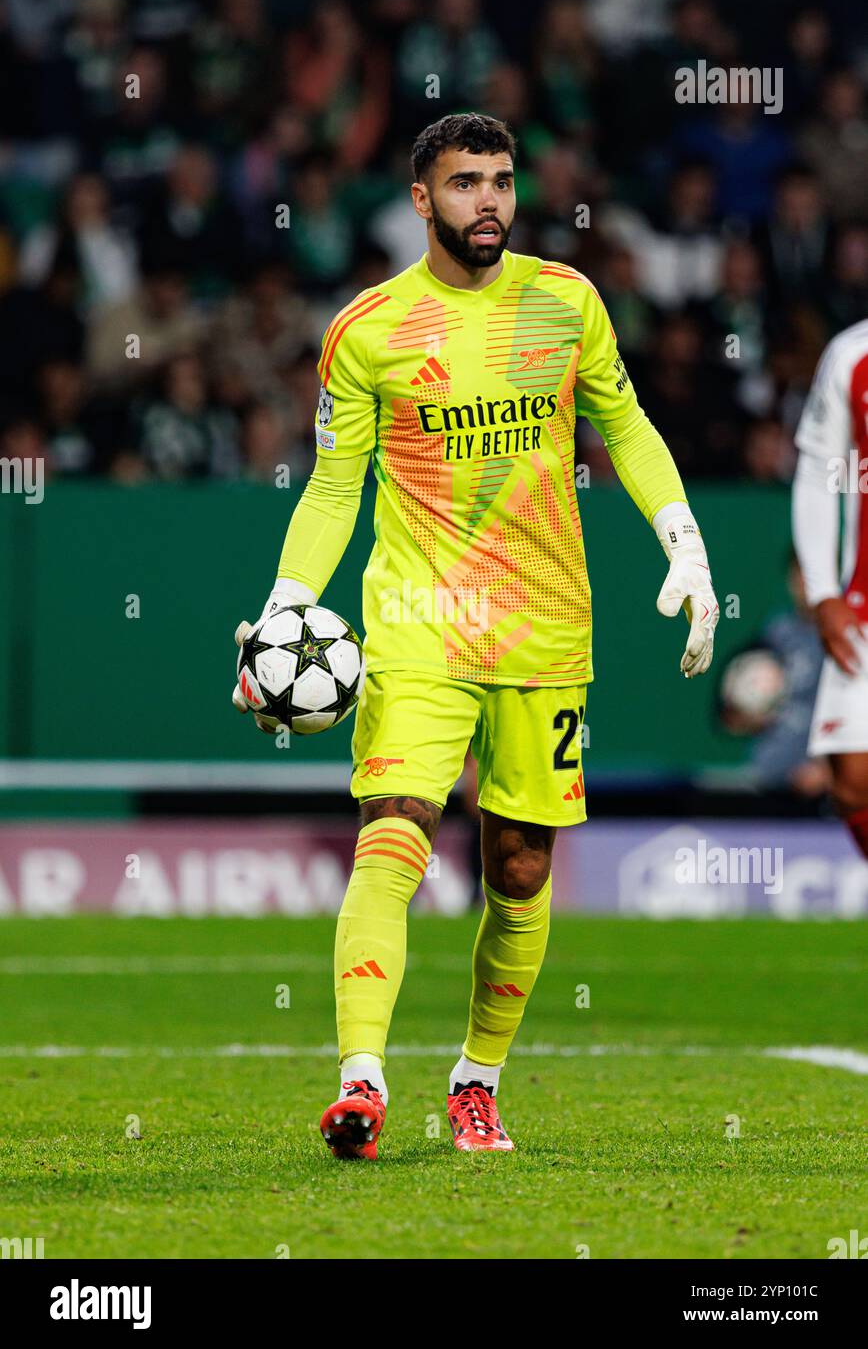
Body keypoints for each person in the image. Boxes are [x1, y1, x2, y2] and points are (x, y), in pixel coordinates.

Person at [232, 113, 719, 1159]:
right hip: (416, 618)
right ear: (421, 199)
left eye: (501, 181)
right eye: (464, 184)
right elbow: (332, 483)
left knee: (522, 868)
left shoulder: (566, 302)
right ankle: (360, 1080)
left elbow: (623, 424)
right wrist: (284, 601)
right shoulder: (367, 330)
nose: (489, 200)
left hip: (547, 624)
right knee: (394, 827)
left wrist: (683, 541)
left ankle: (476, 1078)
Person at [792, 318, 868, 858]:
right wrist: (822, 593)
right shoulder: (852, 353)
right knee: (851, 781)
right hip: (862, 600)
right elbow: (820, 471)